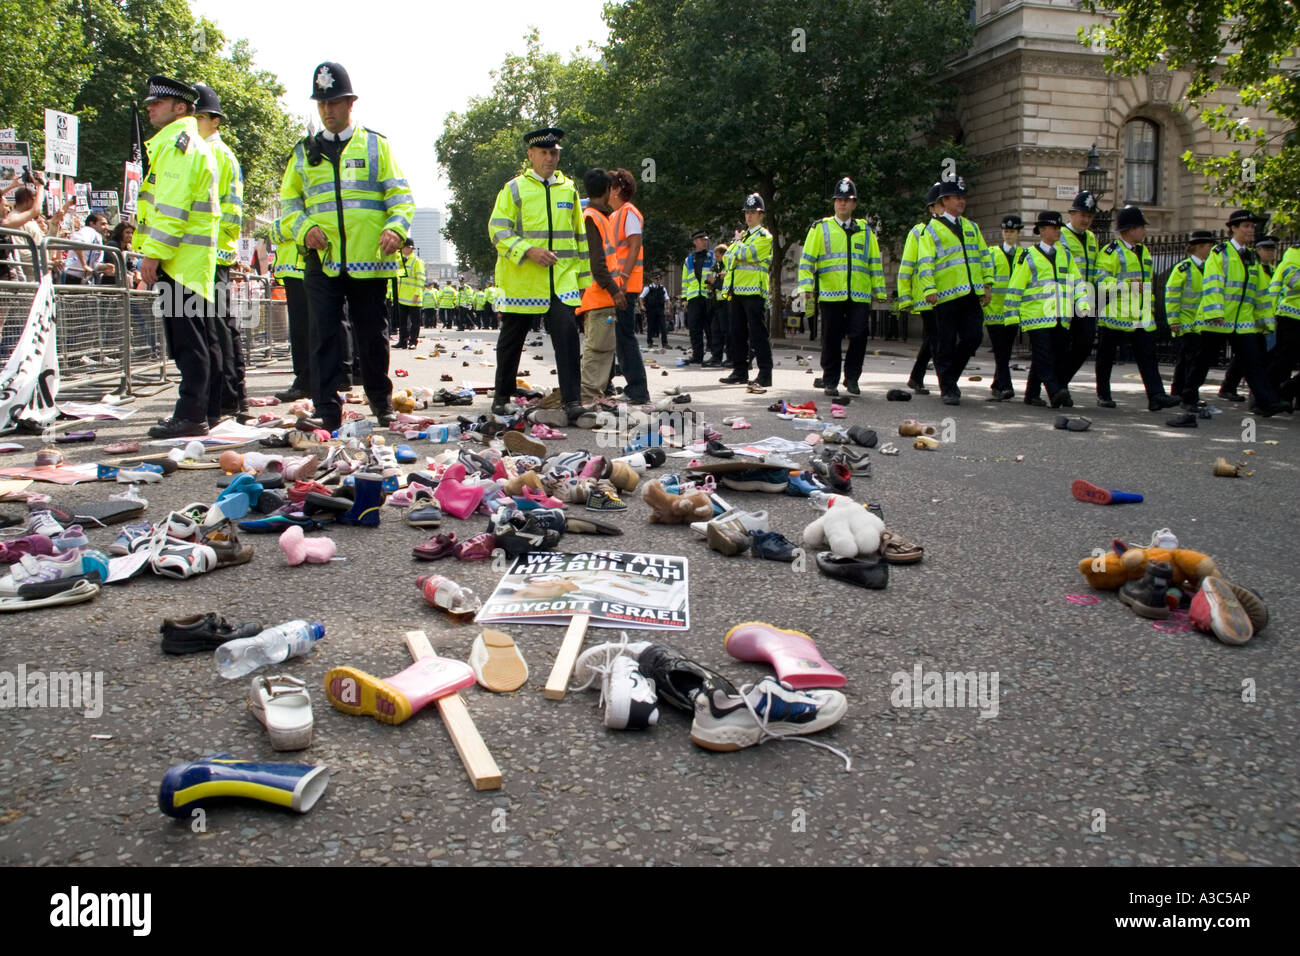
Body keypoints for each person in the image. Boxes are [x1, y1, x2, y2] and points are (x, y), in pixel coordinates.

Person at [279, 61, 414, 432]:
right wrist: (304, 227)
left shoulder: (375, 145)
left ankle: (381, 403)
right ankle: (326, 409)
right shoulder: (303, 152)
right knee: (322, 334)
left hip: (368, 260)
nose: (327, 110)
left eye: (334, 102)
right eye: (321, 103)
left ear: (350, 103)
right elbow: (289, 202)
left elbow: (401, 197)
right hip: (323, 260)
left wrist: (395, 229)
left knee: (372, 336)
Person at [132, 75, 222, 439]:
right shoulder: (185, 144)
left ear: (180, 107)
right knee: (198, 338)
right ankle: (207, 410)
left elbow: (172, 209)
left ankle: (190, 415)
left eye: (157, 102)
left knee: (188, 343)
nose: (150, 107)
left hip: (179, 260)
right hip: (189, 260)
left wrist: (152, 255)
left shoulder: (178, 147)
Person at [486, 126, 590, 421]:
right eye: (544, 152)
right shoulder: (514, 189)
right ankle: (501, 396)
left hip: (561, 281)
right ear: (530, 155)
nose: (550, 158)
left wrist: (584, 282)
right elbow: (497, 230)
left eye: (554, 153)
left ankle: (572, 400)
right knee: (511, 340)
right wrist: (528, 250)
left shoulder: (568, 189)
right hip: (522, 281)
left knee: (568, 339)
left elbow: (579, 238)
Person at [1184, 209, 1284, 416]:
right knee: (1203, 360)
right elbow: (1213, 283)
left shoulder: (1252, 257)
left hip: (1243, 322)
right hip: (1219, 319)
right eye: (1246, 226)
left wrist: (1264, 320)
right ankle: (1189, 397)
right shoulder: (1219, 253)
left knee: (1253, 362)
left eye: (1252, 226)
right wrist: (1215, 311)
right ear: (1234, 228)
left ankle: (1267, 402)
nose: (1251, 230)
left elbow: (1260, 291)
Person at [796, 176, 886, 397]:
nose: (842, 203)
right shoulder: (821, 228)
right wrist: (806, 287)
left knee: (859, 336)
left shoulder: (865, 231)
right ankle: (830, 380)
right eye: (839, 200)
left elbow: (874, 261)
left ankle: (852, 378)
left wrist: (880, 290)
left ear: (854, 204)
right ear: (834, 203)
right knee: (831, 338)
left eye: (847, 200)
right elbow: (807, 261)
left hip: (859, 294)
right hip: (830, 294)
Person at [194, 83, 247, 419]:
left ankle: (227, 399)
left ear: (214, 120)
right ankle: (232, 399)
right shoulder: (219, 152)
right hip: (215, 251)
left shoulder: (212, 153)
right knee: (222, 328)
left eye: (197, 116)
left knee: (216, 330)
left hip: (210, 252)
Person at [1094, 205, 1180, 412]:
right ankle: (1104, 394)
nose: (1145, 231)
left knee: (1148, 356)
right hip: (1115, 314)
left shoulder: (1144, 251)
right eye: (1141, 227)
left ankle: (1156, 396)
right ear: (1130, 229)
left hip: (1141, 316)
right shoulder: (1111, 252)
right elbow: (1100, 281)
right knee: (1106, 356)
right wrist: (1127, 285)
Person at [916, 176, 991, 405]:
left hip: (971, 293)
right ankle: (948, 387)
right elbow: (925, 261)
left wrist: (987, 284)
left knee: (973, 337)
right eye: (957, 197)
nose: (961, 201)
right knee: (945, 343)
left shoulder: (972, 227)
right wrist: (929, 288)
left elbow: (984, 257)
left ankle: (950, 378)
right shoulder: (932, 230)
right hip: (946, 296)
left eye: (963, 197)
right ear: (944, 200)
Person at [1006, 211, 1089, 409]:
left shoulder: (1066, 255)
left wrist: (1083, 305)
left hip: (1061, 317)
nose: (1057, 231)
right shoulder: (1029, 257)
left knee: (1057, 355)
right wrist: (1011, 318)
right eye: (1053, 227)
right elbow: (1015, 287)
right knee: (1044, 356)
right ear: (1042, 230)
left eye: (1059, 227)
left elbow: (1077, 282)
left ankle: (1032, 394)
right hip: (1036, 317)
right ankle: (1055, 391)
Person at [576, 168, 627, 405]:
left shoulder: (597, 216)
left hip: (599, 298)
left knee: (602, 350)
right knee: (597, 351)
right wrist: (614, 290)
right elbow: (598, 264)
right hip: (599, 297)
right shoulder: (592, 218)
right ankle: (587, 399)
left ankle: (593, 397)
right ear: (607, 190)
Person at [719, 193, 774, 390]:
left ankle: (765, 373)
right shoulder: (744, 237)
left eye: (753, 213)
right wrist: (736, 249)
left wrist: (737, 245)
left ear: (761, 215)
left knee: (758, 333)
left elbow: (747, 254)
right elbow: (726, 259)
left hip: (754, 291)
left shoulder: (763, 236)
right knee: (737, 333)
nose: (749, 216)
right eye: (747, 212)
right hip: (736, 291)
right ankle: (740, 370)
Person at [1219, 234, 1280, 399]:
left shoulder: (1273, 271)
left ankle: (1259, 396)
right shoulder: (1249, 265)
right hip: (1245, 318)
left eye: (1272, 250)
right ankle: (1231, 388)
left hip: (1262, 318)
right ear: (1258, 250)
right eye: (1266, 249)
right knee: (1248, 357)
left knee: (1253, 357)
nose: (1270, 253)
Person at [606, 167, 649, 403]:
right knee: (618, 336)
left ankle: (638, 389)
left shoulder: (629, 212)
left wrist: (622, 278)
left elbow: (634, 246)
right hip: (617, 285)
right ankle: (627, 386)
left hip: (625, 285)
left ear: (618, 189)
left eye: (609, 186)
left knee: (625, 336)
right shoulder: (614, 215)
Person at [896, 184, 943, 395]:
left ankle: (917, 376)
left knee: (934, 338)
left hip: (949, 295)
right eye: (941, 204)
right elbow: (907, 265)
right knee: (936, 336)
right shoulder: (919, 232)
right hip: (927, 295)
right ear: (932, 208)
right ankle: (944, 379)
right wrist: (905, 296)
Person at [1164, 230, 1215, 399]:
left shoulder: (1210, 268)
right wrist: (1173, 320)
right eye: (1208, 246)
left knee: (1194, 360)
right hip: (1186, 322)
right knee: (1188, 358)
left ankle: (1184, 391)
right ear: (1199, 247)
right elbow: (1172, 294)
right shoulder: (1183, 268)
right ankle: (1180, 390)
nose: (1211, 249)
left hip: (1203, 323)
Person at [1059, 191, 1101, 388]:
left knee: (1084, 344)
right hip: (1065, 299)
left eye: (1089, 216)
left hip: (1086, 300)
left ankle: (1060, 381)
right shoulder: (1061, 236)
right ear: (1071, 214)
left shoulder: (1092, 238)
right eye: (1082, 215)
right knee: (1058, 345)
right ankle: (1044, 387)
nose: (1086, 220)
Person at [983, 214, 1023, 401]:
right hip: (994, 310)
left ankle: (997, 384)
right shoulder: (993, 253)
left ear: (1018, 233)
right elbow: (987, 277)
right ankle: (1006, 385)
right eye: (1006, 231)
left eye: (1012, 231)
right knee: (1000, 350)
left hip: (1013, 311)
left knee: (1006, 349)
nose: (1009, 235)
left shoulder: (1024, 255)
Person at [271, 215, 311, 401]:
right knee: (303, 328)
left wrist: (283, 227)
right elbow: (273, 233)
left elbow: (280, 230)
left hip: (300, 270)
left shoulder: (301, 209)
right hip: (296, 270)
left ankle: (305, 382)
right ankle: (308, 380)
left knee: (302, 329)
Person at [1266, 240, 1300, 404]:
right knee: (1284, 360)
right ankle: (1266, 394)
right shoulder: (1294, 254)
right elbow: (1294, 281)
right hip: (1291, 317)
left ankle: (1290, 390)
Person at [681, 231, 714, 364]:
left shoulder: (712, 256)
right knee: (695, 328)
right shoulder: (688, 260)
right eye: (701, 240)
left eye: (705, 240)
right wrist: (684, 299)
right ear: (695, 241)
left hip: (708, 296)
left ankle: (714, 354)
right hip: (694, 298)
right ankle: (697, 355)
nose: (704, 242)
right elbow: (685, 280)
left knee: (711, 327)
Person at [64, 211, 115, 285]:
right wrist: (84, 265)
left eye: (106, 224)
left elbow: (93, 264)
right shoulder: (88, 230)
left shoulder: (98, 237)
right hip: (74, 277)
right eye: (103, 224)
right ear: (92, 224)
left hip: (85, 280)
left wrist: (105, 267)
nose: (106, 227)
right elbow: (77, 243)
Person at [394, 237, 424, 348]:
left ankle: (413, 342)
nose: (401, 249)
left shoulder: (417, 262)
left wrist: (416, 294)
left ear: (409, 248)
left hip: (413, 298)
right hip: (402, 297)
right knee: (402, 323)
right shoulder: (401, 261)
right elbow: (400, 279)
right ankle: (402, 341)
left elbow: (420, 279)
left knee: (415, 322)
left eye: (403, 247)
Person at [705, 242, 729, 366]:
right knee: (715, 331)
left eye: (717, 255)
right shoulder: (716, 267)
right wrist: (710, 284)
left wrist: (714, 282)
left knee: (726, 331)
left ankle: (730, 357)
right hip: (715, 304)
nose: (715, 257)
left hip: (725, 303)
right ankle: (716, 357)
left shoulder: (727, 267)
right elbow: (713, 283)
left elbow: (726, 285)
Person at [641, 275, 668, 348]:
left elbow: (667, 298)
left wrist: (667, 308)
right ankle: (650, 342)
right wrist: (642, 306)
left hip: (660, 309)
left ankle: (665, 343)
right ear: (653, 279)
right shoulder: (648, 288)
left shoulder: (663, 288)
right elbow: (641, 297)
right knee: (650, 326)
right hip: (651, 309)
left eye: (659, 279)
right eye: (657, 279)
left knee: (663, 326)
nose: (658, 280)